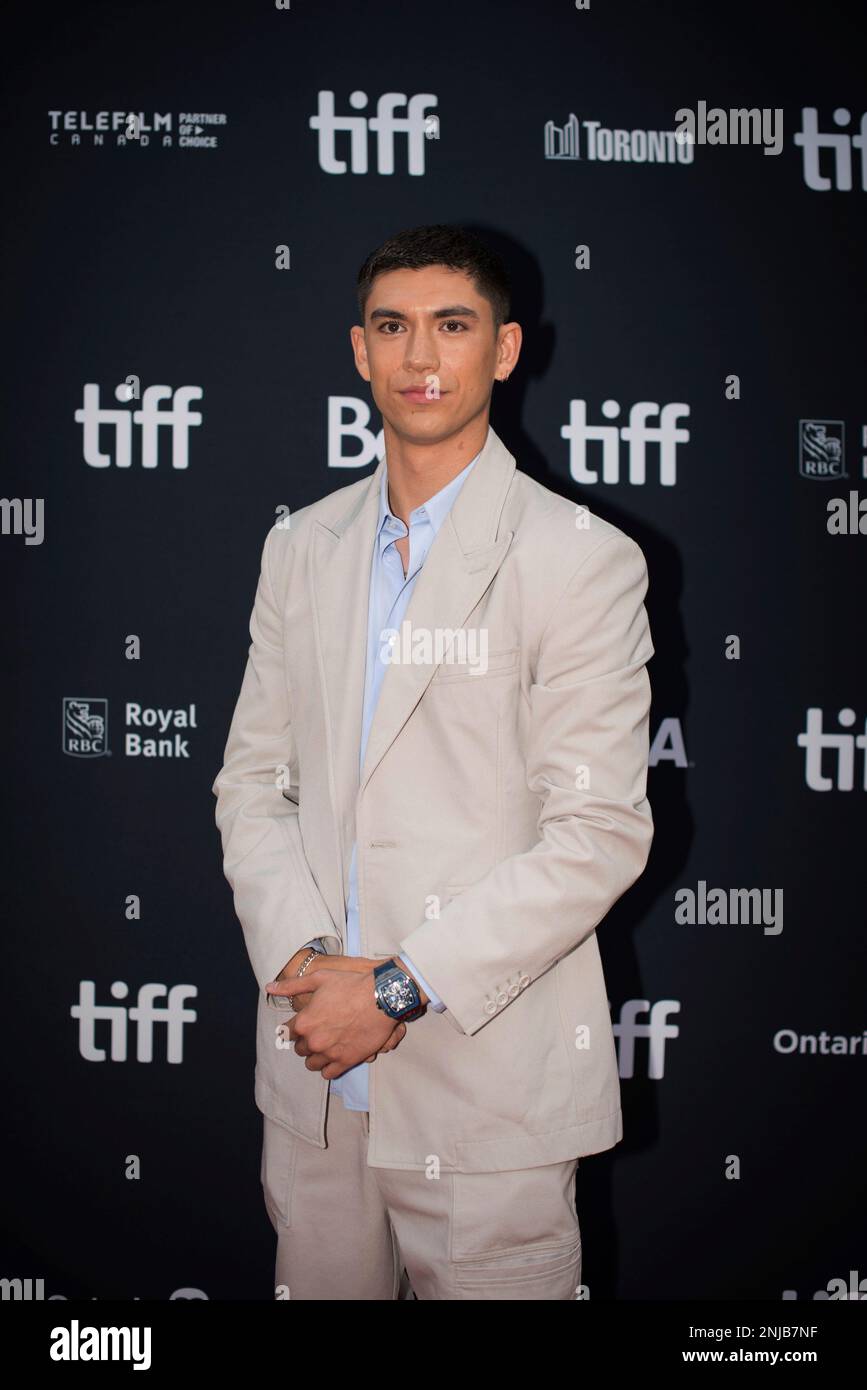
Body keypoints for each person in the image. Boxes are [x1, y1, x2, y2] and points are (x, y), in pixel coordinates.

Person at [211, 223, 654, 1300]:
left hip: (485, 1086)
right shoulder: (299, 546)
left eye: (451, 327)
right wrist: (310, 966)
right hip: (317, 1079)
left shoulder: (581, 561)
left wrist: (399, 990)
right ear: (358, 350)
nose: (420, 358)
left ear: (504, 351)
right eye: (393, 327)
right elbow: (252, 781)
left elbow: (598, 834)